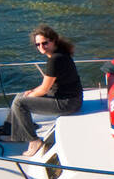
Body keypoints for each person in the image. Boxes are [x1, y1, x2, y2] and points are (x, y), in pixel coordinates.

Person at [5, 25, 83, 157]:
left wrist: (31, 95)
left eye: (45, 43)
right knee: (20, 96)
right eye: (38, 44)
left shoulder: (55, 59)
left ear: (54, 41)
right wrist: (30, 92)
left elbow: (45, 89)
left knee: (20, 103)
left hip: (67, 103)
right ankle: (16, 134)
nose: (41, 47)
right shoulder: (61, 53)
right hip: (71, 98)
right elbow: (46, 85)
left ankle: (34, 141)